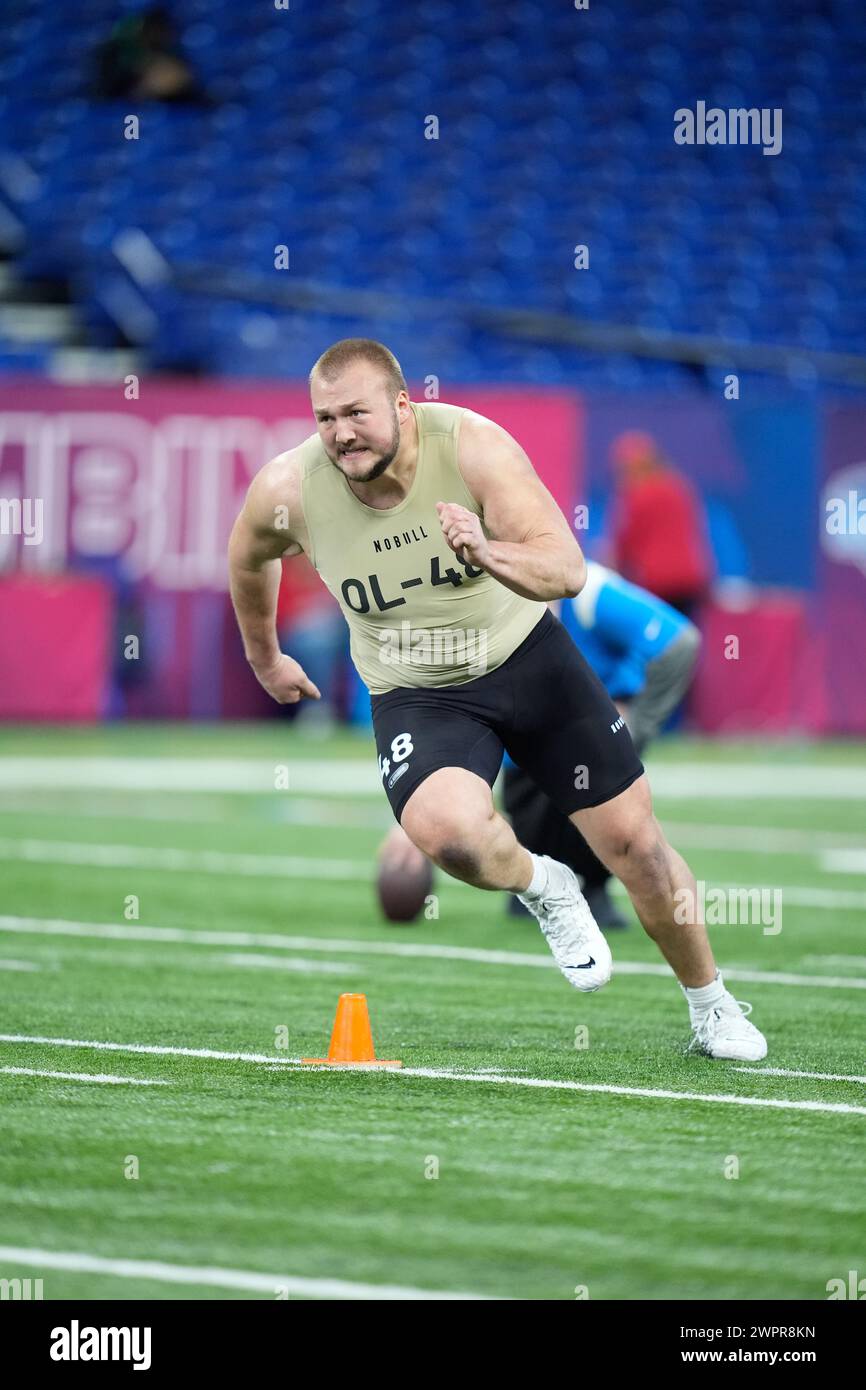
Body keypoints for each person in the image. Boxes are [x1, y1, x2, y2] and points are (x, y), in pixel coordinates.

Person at [228, 338, 766, 1061]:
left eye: (356, 413)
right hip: (418, 693)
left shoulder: (473, 446)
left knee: (637, 843)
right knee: (447, 834)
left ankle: (713, 1005)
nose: (340, 434)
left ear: (402, 406)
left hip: (526, 660)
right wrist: (265, 657)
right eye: (325, 418)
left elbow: (566, 568)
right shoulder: (292, 487)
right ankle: (548, 885)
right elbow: (247, 554)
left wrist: (487, 552)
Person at [503, 561, 701, 929]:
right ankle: (536, 882)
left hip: (593, 726)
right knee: (528, 814)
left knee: (598, 788)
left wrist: (624, 695)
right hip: (533, 738)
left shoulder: (590, 593)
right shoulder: (489, 600)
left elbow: (678, 641)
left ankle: (591, 885)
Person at [609, 430, 712, 620]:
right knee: (686, 638)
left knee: (659, 642)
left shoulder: (636, 496)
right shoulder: (679, 487)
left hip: (657, 584)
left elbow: (626, 542)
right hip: (689, 579)